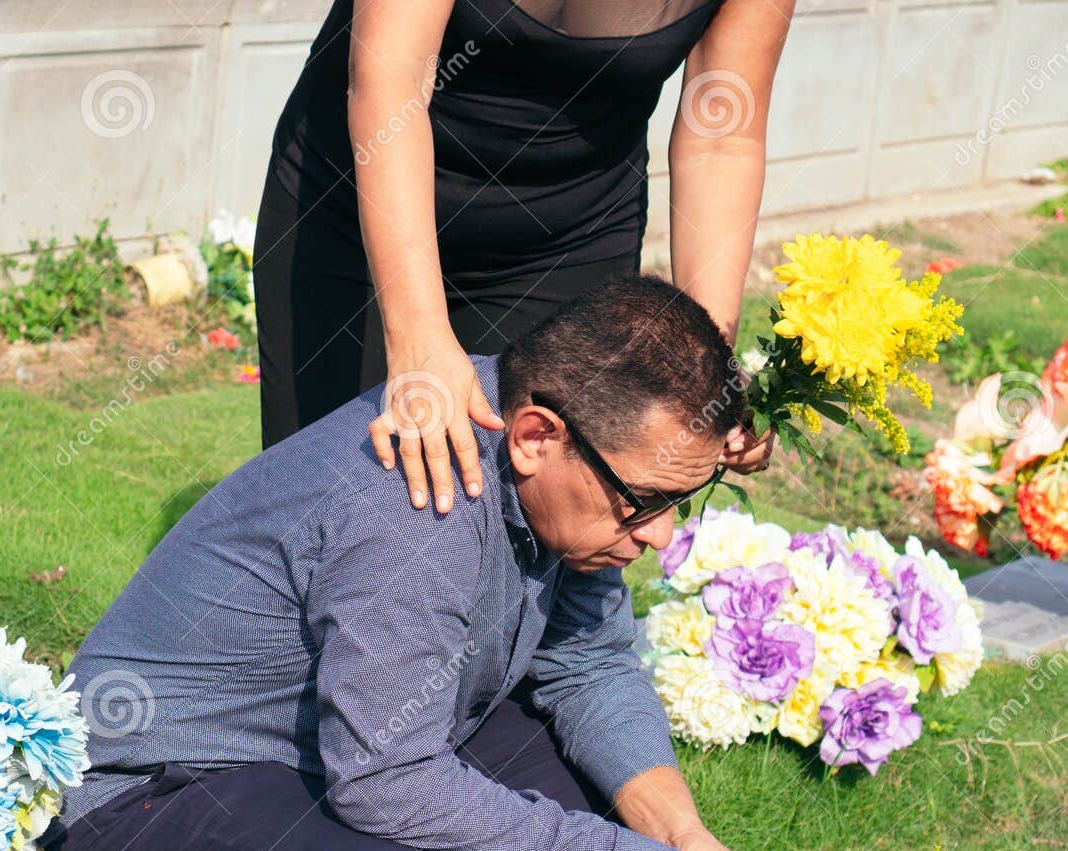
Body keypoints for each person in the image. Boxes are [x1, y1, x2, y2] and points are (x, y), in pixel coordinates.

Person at [41, 276, 768, 851]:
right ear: (535, 435)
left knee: (609, 781)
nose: (659, 536)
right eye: (643, 501)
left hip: (322, 749)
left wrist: (679, 839)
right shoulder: (421, 507)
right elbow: (385, 779)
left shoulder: (565, 462)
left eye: (679, 504)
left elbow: (589, 662)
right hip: (148, 790)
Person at [254, 0, 793, 512]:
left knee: (532, 519)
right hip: (358, 213)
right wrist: (419, 336)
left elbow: (724, 140)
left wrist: (706, 371)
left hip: (571, 239)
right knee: (326, 500)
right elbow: (391, 83)